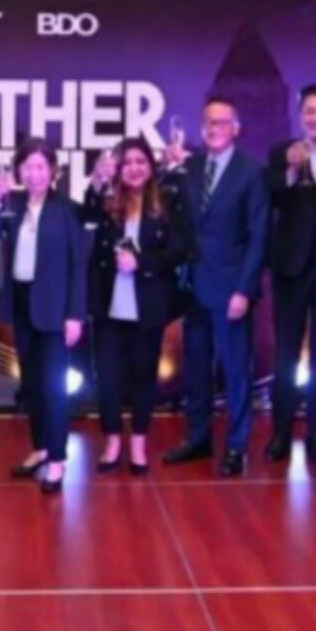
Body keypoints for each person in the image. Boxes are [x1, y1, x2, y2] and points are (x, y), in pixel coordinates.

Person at [162, 97, 270, 477]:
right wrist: (167, 170)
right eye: (208, 121)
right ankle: (198, 438)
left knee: (235, 371)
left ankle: (237, 446)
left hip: (231, 290)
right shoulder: (190, 167)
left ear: (236, 129)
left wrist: (245, 290)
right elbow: (172, 213)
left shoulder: (252, 172)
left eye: (222, 122)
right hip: (194, 288)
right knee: (195, 370)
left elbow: (259, 237)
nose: (214, 128)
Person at [84, 138, 193, 475]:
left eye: (140, 162)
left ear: (151, 166)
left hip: (149, 303)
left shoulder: (167, 201)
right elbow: (85, 217)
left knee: (145, 376)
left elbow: (181, 250)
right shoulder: (106, 200)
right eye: (127, 162)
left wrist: (141, 262)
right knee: (108, 379)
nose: (134, 168)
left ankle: (139, 442)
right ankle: (112, 440)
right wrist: (96, 182)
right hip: (108, 305)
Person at [0, 138, 91, 494]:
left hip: (55, 308)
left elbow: (78, 265)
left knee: (53, 389)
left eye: (40, 167)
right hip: (22, 305)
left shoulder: (67, 210)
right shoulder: (11, 205)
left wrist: (75, 314)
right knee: (32, 386)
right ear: (18, 171)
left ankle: (57, 460)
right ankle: (40, 449)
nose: (34, 174)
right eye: (27, 167)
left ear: (53, 171)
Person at [264, 83, 316, 466]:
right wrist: (292, 170)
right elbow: (272, 197)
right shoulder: (282, 153)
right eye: (310, 111)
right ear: (300, 116)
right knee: (285, 352)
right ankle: (280, 431)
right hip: (290, 269)